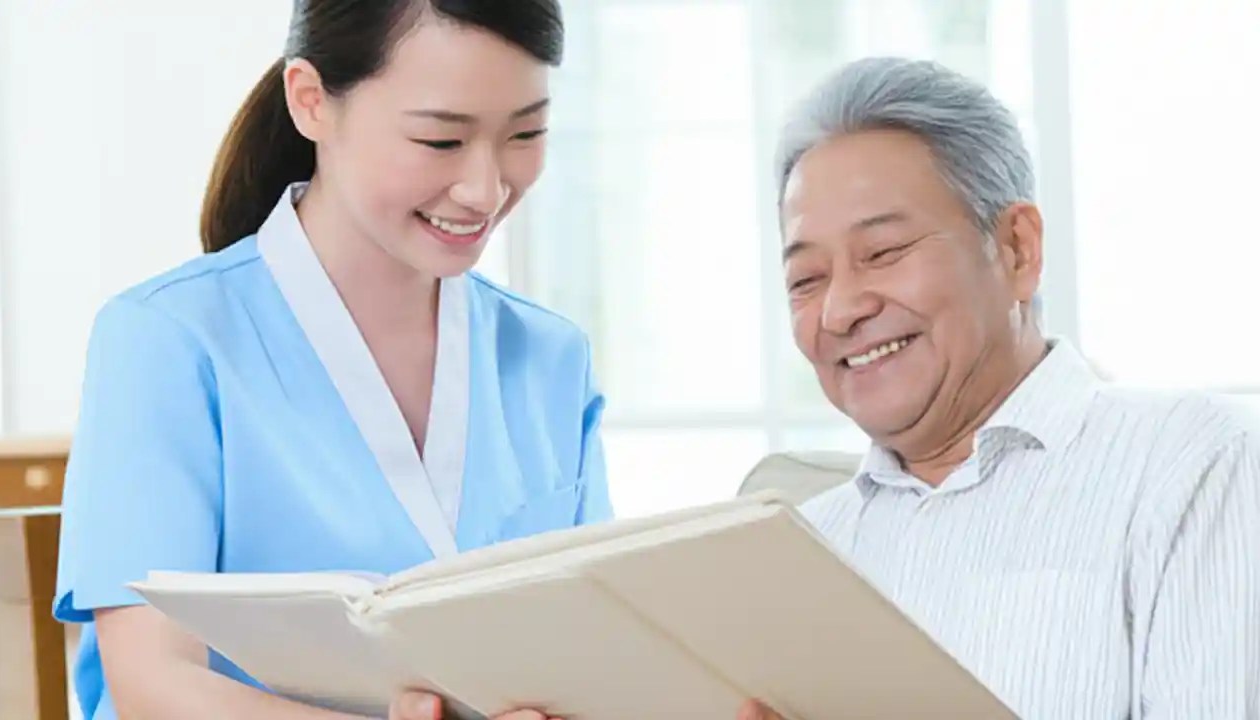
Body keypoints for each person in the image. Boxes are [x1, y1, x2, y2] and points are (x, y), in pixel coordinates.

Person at [398, 56, 1260, 720]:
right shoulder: (796, 548)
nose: (843, 308)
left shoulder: (1195, 462)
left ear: (1018, 250)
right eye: (805, 280)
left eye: (884, 253)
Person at [53, 1, 613, 718]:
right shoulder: (167, 340)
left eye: (526, 133)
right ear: (311, 102)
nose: (485, 188)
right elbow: (152, 684)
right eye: (441, 140)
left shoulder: (551, 358)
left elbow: (592, 646)